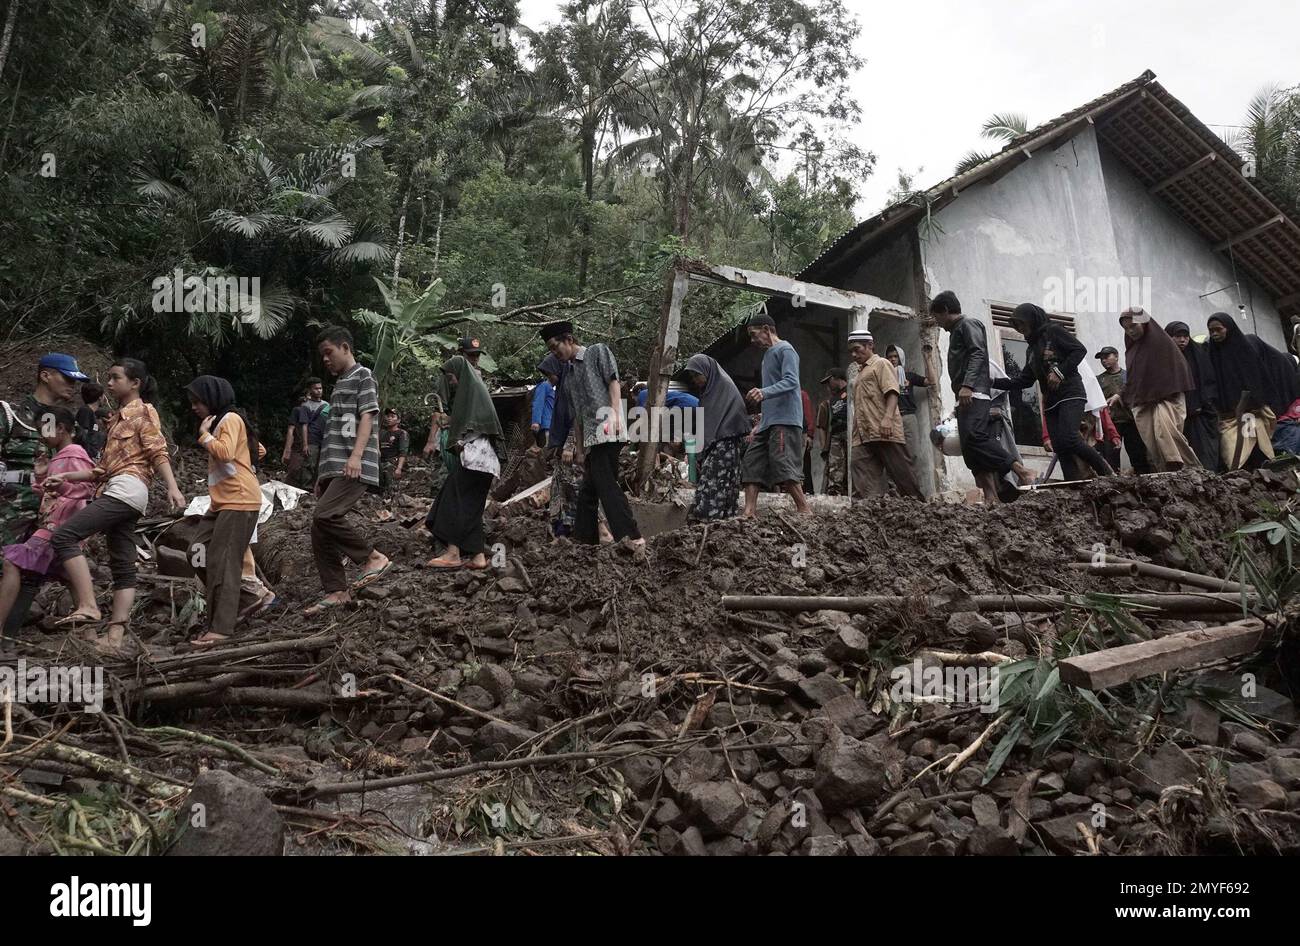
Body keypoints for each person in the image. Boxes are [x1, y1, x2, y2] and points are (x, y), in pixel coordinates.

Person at [48, 359, 187, 653]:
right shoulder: (117, 419)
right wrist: (66, 475)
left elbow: (157, 451)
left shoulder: (144, 412)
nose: (109, 384)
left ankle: (88, 605)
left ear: (135, 383)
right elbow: (101, 470)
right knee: (123, 567)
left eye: (115, 378)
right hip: (121, 491)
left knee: (64, 536)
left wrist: (173, 487)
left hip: (126, 490)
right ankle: (115, 639)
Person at [1, 353, 87, 638]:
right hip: (9, 507)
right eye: (67, 378)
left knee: (33, 573)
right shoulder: (12, 413)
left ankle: (8, 638)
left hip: (49, 511)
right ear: (46, 375)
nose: (72, 386)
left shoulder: (63, 424)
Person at [305, 327, 391, 615]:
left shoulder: (363, 375)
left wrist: (356, 457)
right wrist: (322, 476)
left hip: (355, 465)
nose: (325, 360)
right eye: (322, 356)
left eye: (329, 353)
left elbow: (368, 416)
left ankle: (372, 558)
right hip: (336, 468)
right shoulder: (341, 383)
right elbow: (332, 435)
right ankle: (336, 592)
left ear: (345, 347)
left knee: (325, 515)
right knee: (319, 528)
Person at [541, 321, 644, 550]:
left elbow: (613, 382)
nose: (554, 352)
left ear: (569, 339)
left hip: (608, 430)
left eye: (555, 346)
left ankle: (633, 537)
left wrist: (616, 415)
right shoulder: (568, 376)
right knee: (589, 490)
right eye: (550, 349)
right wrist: (579, 448)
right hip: (591, 438)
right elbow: (577, 414)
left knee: (606, 483)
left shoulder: (597, 352)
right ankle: (584, 541)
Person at [929, 291, 1038, 502]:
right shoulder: (957, 331)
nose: (937, 322)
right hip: (965, 395)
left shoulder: (969, 324)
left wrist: (968, 385)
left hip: (974, 392)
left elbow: (978, 353)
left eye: (937, 317)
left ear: (944, 310)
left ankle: (1022, 471)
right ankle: (990, 495)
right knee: (970, 449)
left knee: (975, 438)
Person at [995, 304, 1113, 481]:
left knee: (1070, 438)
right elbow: (1023, 380)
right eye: (1017, 327)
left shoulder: (1054, 331)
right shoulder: (1031, 350)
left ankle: (1107, 472)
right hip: (1051, 402)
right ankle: (1073, 483)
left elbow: (1079, 350)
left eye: (1021, 324)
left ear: (1032, 320)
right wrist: (991, 381)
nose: (1020, 330)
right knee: (1060, 446)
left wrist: (1060, 372)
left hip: (1071, 393)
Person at [185, 376, 263, 645]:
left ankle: (221, 628)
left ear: (213, 399)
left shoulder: (229, 420)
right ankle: (250, 598)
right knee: (196, 551)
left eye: (198, 401)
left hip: (238, 500)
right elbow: (258, 451)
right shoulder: (227, 422)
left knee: (224, 562)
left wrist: (205, 437)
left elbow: (226, 452)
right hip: (222, 502)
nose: (195, 407)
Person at [426, 356, 505, 569]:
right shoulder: (474, 394)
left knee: (452, 501)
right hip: (483, 462)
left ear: (460, 373)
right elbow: (470, 421)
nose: (451, 382)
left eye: (452, 377)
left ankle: (453, 553)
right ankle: (478, 556)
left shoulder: (472, 393)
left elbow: (472, 426)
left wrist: (453, 430)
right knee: (471, 506)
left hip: (476, 460)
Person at [1204, 311, 1300, 469]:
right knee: (1234, 455)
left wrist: (1254, 403)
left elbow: (1259, 381)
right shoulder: (1212, 356)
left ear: (1228, 328)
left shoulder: (1246, 353)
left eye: (1218, 329)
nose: (1215, 334)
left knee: (1259, 454)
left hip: (1253, 414)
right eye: (1211, 331)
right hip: (1228, 418)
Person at [739, 313, 812, 517]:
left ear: (766, 329)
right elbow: (774, 391)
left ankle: (804, 510)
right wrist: (761, 420)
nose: (753, 341)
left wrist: (763, 392)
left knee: (783, 464)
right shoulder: (768, 355)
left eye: (754, 335)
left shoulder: (786, 350)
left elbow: (791, 382)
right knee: (751, 462)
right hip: (769, 423)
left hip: (785, 421)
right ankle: (749, 513)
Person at [1118, 307, 1200, 471]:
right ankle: (1167, 475)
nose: (1130, 331)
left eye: (1133, 326)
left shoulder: (1162, 344)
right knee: (1152, 441)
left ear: (1144, 323)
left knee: (1165, 432)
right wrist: (1121, 394)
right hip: (1143, 402)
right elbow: (1134, 378)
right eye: (1126, 328)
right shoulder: (1132, 350)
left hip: (1167, 398)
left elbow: (1177, 370)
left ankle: (1190, 469)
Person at [847, 331, 923, 499]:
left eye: (857, 349)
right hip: (863, 434)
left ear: (870, 346)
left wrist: (887, 419)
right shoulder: (860, 373)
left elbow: (892, 392)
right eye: (851, 351)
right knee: (859, 467)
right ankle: (867, 511)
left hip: (883, 429)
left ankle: (918, 508)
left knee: (902, 474)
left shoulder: (881, 364)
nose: (853, 354)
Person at [681, 354, 752, 521]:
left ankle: (709, 521)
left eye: (697, 375)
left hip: (726, 446)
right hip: (717, 446)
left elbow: (736, 418)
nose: (695, 380)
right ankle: (715, 523)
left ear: (707, 371)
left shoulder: (725, 388)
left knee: (713, 484)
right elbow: (705, 425)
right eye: (692, 377)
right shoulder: (708, 394)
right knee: (716, 484)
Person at [1165, 321, 1222, 472]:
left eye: (1185, 336)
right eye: (1178, 336)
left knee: (1204, 450)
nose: (1183, 340)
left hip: (1200, 413)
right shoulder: (1163, 358)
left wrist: (1202, 403)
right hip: (1176, 414)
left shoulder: (1197, 355)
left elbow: (1208, 381)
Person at [1095, 347, 1152, 474]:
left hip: (1131, 421)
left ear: (1116, 356)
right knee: (1111, 458)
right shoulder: (1099, 380)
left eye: (1106, 357)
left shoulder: (1128, 376)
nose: (1104, 361)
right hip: (1112, 423)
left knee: (1138, 455)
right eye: (1101, 359)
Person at [885, 344, 934, 469]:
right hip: (892, 419)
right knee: (893, 455)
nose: (893, 359)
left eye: (895, 356)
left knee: (913, 454)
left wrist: (927, 359)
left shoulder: (909, 376)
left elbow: (931, 381)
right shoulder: (883, 377)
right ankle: (894, 488)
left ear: (901, 358)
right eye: (890, 357)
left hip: (908, 417)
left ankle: (913, 486)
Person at [282, 378, 328, 488]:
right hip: (312, 439)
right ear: (310, 390)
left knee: (318, 465)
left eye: (320, 388)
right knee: (309, 465)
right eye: (316, 388)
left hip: (323, 440)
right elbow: (304, 425)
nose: (319, 391)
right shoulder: (305, 407)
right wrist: (305, 444)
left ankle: (315, 488)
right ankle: (307, 489)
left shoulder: (327, 405)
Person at [816, 368, 849, 495]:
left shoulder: (851, 391)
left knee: (851, 465)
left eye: (829, 381)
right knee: (835, 466)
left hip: (849, 432)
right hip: (836, 435)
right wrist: (825, 447)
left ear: (836, 378)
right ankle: (834, 493)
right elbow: (822, 426)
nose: (828, 385)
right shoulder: (831, 400)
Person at [378, 408, 409, 495]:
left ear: (398, 420)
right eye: (388, 416)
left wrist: (399, 468)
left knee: (391, 491)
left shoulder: (402, 433)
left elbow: (403, 452)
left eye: (392, 416)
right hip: (380, 463)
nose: (389, 418)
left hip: (392, 464)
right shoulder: (381, 433)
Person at [75, 382, 109, 461]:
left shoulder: (93, 414)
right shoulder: (85, 411)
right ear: (100, 398)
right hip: (85, 457)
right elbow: (82, 435)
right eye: (104, 396)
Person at [531, 360, 557, 448]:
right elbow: (538, 403)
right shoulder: (544, 386)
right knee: (546, 450)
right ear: (551, 375)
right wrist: (536, 421)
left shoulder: (552, 389)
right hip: (546, 426)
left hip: (552, 426)